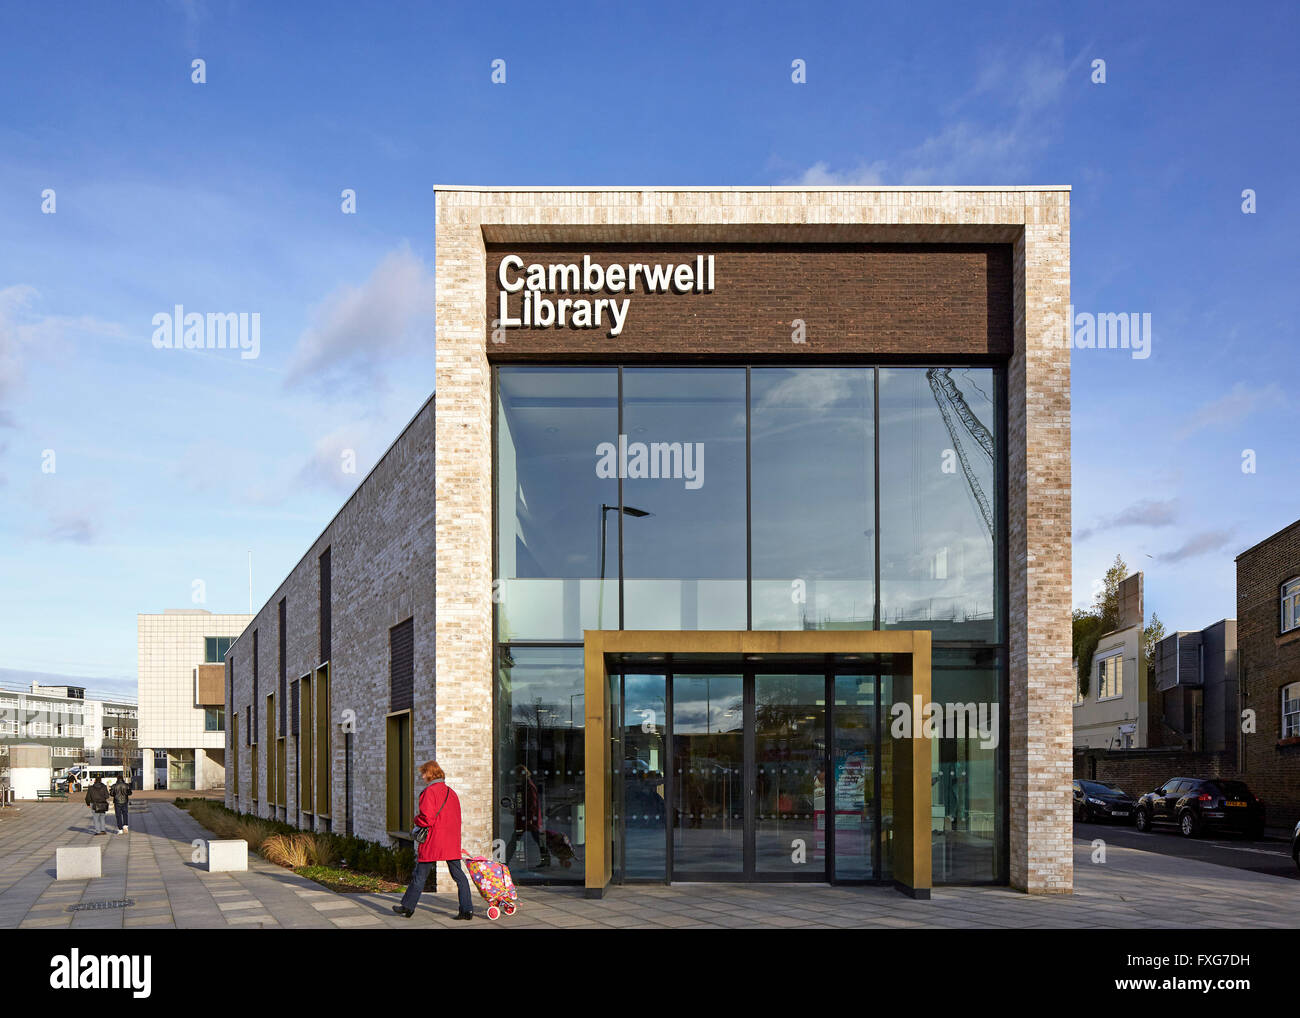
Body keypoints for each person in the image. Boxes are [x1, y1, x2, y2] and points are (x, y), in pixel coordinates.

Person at [392, 761, 473, 920]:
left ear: (430, 774)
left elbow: (427, 819)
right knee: (459, 876)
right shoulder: (451, 792)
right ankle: (467, 910)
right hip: (450, 841)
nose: (422, 776)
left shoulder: (429, 792)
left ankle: (408, 907)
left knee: (420, 874)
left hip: (433, 841)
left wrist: (416, 820)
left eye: (424, 773)